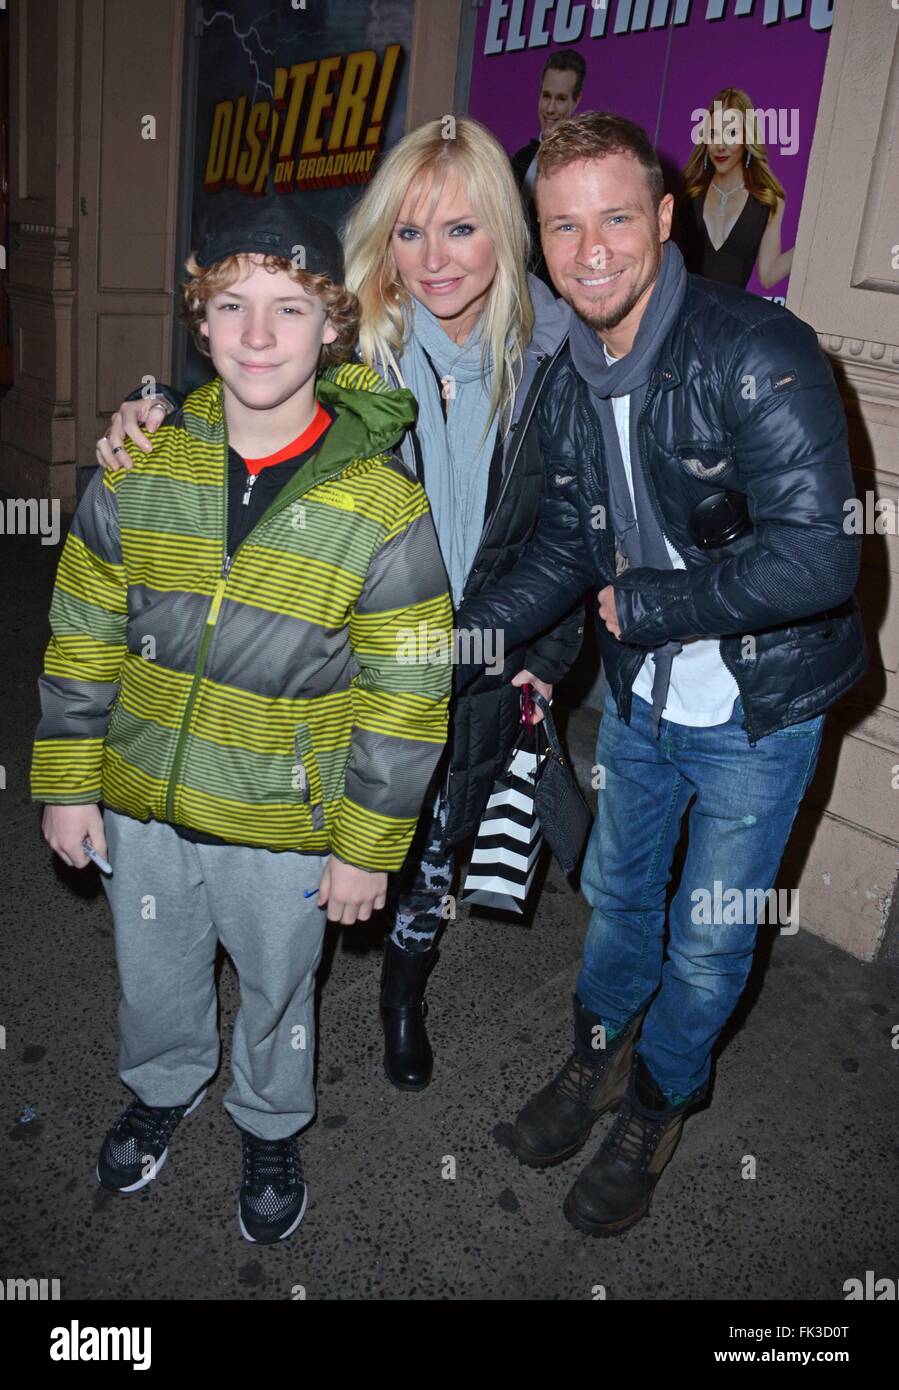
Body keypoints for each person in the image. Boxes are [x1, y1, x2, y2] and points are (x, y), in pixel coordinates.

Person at [94, 118, 584, 1094]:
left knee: (438, 837)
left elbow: (571, 526)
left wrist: (537, 644)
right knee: (335, 838)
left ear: (503, 229)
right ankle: (257, 1031)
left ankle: (403, 992)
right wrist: (150, 407)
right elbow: (239, 385)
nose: (433, 260)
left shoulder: (556, 353)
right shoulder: (354, 338)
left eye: (459, 230)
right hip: (342, 643)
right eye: (408, 233)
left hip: (480, 644)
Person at [456, 110, 867, 1236]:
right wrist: (449, 646)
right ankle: (592, 1059)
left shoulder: (756, 350)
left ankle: (656, 1100)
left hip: (757, 708)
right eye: (562, 226)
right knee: (615, 909)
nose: (590, 251)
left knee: (706, 940)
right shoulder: (566, 375)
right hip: (639, 700)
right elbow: (554, 546)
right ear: (538, 239)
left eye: (616, 219)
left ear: (666, 219)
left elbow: (819, 553)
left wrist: (650, 603)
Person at [31, 199, 454, 1243]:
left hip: (284, 818)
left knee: (278, 986)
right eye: (232, 305)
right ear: (201, 321)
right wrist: (68, 779)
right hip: (149, 805)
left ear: (331, 326)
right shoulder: (140, 465)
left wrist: (365, 845)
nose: (258, 335)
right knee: (153, 972)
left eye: (288, 308)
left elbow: (406, 691)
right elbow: (83, 630)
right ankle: (161, 1084)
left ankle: (270, 1119)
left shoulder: (379, 502)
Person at [676, 87, 794, 292]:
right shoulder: (688, 196)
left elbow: (768, 276)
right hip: (682, 315)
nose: (721, 146)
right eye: (714, 134)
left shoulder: (768, 202)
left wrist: (812, 242)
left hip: (727, 319)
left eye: (732, 133)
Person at [510, 49, 587, 288]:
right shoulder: (522, 158)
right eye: (546, 96)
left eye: (561, 99)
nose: (550, 108)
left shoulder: (582, 165)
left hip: (553, 292)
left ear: (576, 101)